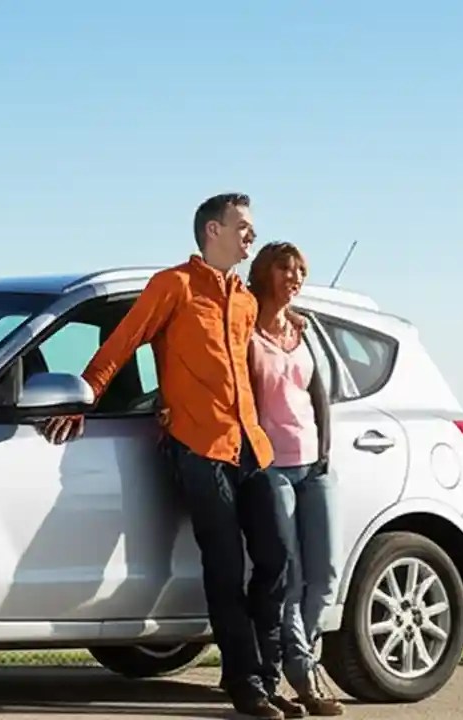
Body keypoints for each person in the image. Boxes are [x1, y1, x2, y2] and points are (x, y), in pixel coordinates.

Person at [40, 193, 296, 720]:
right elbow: (124, 340)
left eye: (252, 227)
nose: (251, 235)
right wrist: (85, 393)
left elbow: (250, 373)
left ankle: (269, 676)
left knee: (275, 559)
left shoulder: (246, 301)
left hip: (252, 445)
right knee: (224, 566)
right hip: (198, 448)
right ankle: (247, 683)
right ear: (212, 231)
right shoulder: (173, 286)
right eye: (243, 226)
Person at [245, 242, 345, 715]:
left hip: (313, 466)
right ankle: (304, 674)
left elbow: (319, 395)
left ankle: (300, 657)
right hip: (271, 468)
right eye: (286, 268)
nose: (295, 276)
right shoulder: (244, 331)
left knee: (325, 575)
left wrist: (324, 454)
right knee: (289, 576)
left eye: (300, 269)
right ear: (264, 273)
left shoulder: (304, 330)